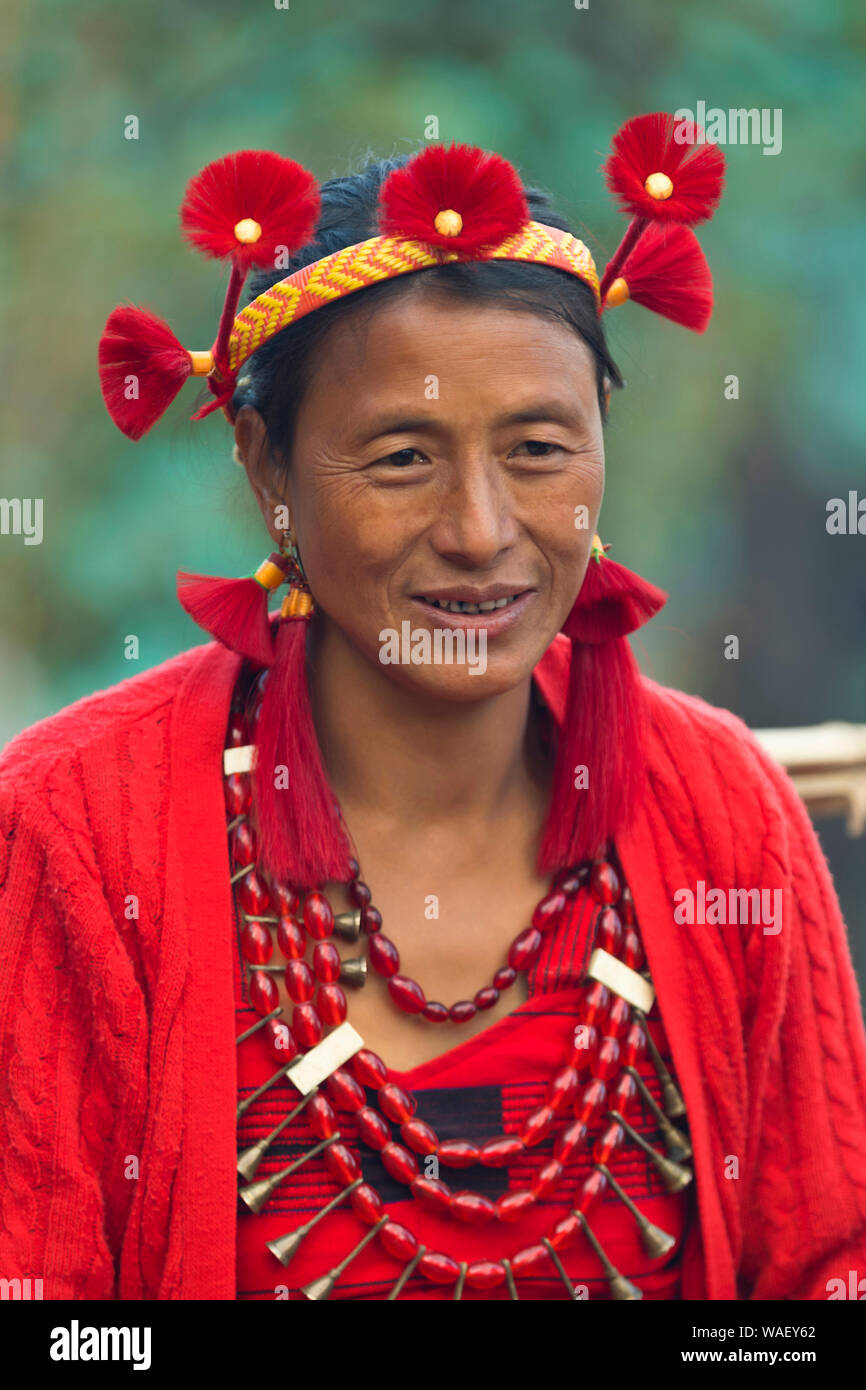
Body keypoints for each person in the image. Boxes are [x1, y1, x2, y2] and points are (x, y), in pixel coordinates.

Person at [1, 117, 865, 1302]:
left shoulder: (720, 812)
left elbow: (824, 1274)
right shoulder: (79, 832)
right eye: (402, 456)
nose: (478, 528)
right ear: (268, 472)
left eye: (537, 448)